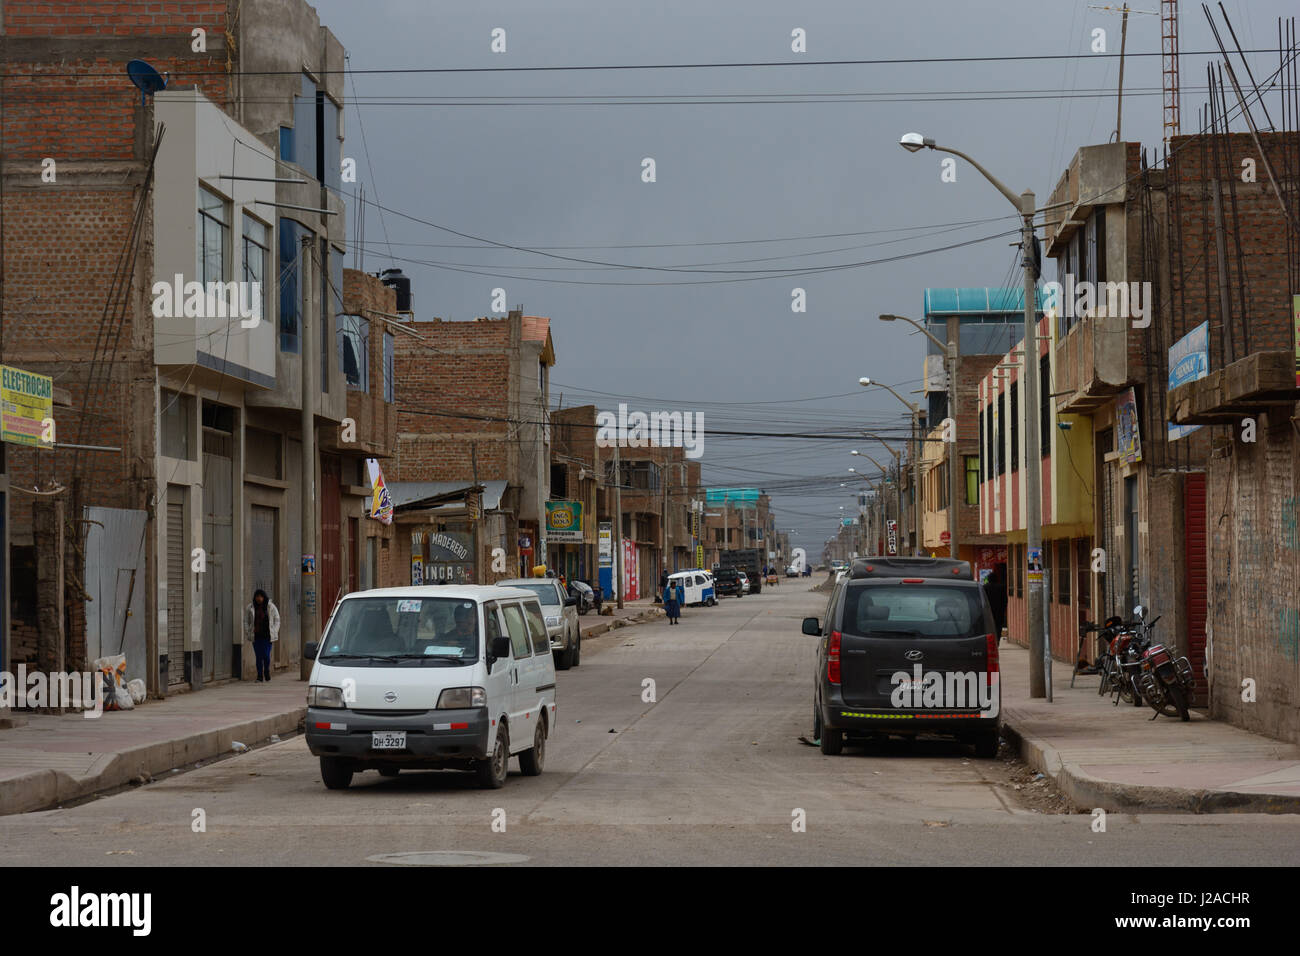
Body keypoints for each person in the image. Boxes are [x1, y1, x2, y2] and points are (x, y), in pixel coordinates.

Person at [244, 588, 280, 682]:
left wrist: (275, 630)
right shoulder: (250, 607)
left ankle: (266, 671)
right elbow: (246, 621)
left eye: (260, 596)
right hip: (256, 636)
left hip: (267, 636)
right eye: (257, 597)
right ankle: (259, 676)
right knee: (259, 656)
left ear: (264, 597)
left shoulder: (271, 607)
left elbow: (277, 619)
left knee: (266, 656)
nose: (259, 599)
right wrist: (248, 631)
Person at [984, 563, 1008, 642]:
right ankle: (997, 641)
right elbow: (1005, 600)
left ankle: (991, 641)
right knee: (998, 627)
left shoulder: (984, 588)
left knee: (988, 627)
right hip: (999, 611)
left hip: (988, 611)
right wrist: (1003, 609)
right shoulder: (1002, 588)